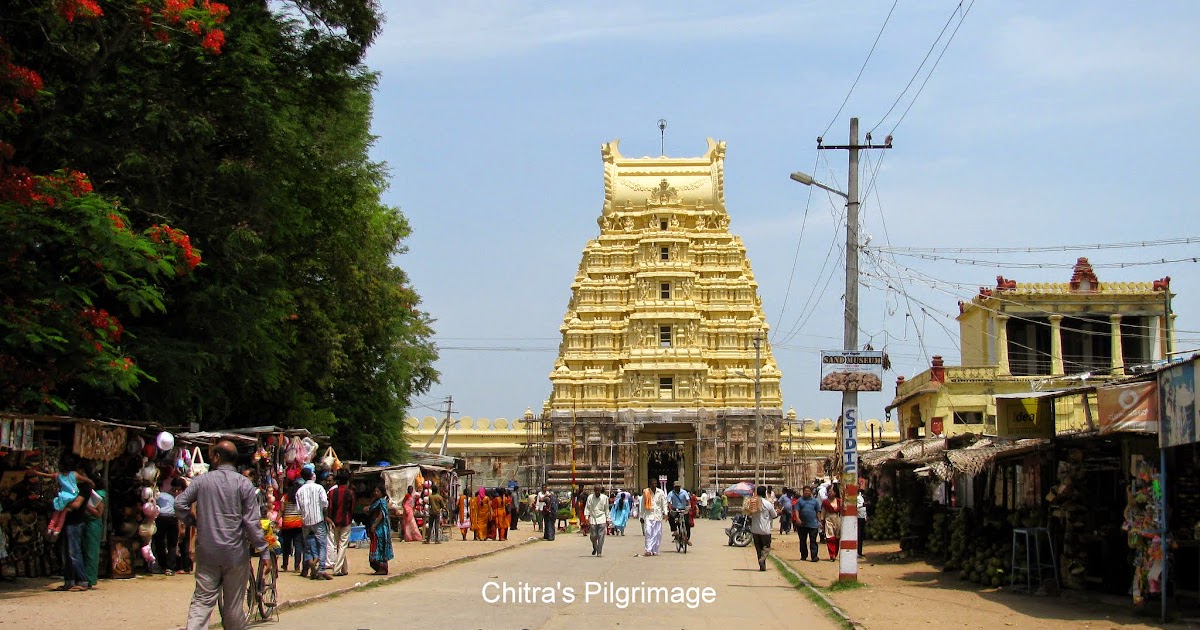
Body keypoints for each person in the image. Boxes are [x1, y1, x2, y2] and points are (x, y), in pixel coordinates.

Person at [174, 440, 269, 630]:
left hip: (207, 551)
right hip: (236, 553)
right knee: (233, 606)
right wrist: (264, 550)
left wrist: (193, 521)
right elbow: (251, 522)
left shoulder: (201, 481)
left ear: (217, 457)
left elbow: (179, 504)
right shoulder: (244, 484)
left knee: (202, 600)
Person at [28, 454, 91, 541]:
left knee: (56, 514)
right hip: (68, 506)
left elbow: (76, 505)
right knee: (61, 516)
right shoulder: (73, 477)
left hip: (67, 509)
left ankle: (52, 530)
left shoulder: (62, 476)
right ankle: (54, 530)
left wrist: (36, 473)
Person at [295, 466, 331, 580]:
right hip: (318, 520)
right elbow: (325, 502)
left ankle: (309, 563)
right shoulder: (319, 487)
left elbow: (298, 509)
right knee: (322, 545)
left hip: (306, 521)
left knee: (307, 545)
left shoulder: (299, 491)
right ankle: (321, 570)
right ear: (312, 476)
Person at [57, 480, 91, 591]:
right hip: (66, 523)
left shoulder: (84, 487)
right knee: (67, 554)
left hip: (75, 523)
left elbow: (76, 504)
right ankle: (69, 581)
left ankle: (82, 581)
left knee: (74, 553)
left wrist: (63, 502)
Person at [323, 470, 353, 576]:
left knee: (339, 545)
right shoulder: (350, 493)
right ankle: (337, 569)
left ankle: (344, 569)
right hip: (346, 521)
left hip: (334, 522)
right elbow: (351, 509)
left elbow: (330, 508)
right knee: (342, 545)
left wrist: (330, 519)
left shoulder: (332, 493)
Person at [153, 478, 183, 575]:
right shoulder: (171, 496)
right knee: (172, 544)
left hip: (161, 518)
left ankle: (162, 564)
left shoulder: (156, 497)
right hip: (172, 518)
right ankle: (170, 567)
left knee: (159, 542)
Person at [80, 476, 106, 588]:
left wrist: (85, 504)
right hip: (88, 523)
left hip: (93, 524)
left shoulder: (99, 494)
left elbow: (98, 513)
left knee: (91, 552)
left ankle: (90, 579)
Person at [748, 485, 778, 571]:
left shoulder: (753, 503)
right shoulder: (767, 503)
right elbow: (774, 515)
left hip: (755, 529)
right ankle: (762, 559)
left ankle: (762, 566)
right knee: (766, 546)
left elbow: (748, 514)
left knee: (758, 548)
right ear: (765, 493)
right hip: (765, 530)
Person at [278, 478, 304, 572]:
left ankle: (285, 565)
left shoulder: (285, 497)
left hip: (287, 524)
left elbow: (281, 510)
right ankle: (297, 566)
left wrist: (277, 520)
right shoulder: (300, 497)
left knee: (286, 546)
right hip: (298, 524)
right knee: (298, 546)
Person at [367, 485, 393, 575]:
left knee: (380, 546)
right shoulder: (376, 501)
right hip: (375, 527)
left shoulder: (382, 501)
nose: (376, 493)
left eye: (378, 491)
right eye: (375, 491)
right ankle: (378, 568)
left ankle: (382, 568)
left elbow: (382, 514)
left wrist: (375, 525)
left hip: (380, 529)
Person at [793, 485, 821, 563]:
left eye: (808, 491)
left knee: (813, 541)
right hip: (802, 525)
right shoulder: (799, 501)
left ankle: (814, 556)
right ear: (803, 492)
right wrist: (797, 518)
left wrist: (819, 521)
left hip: (813, 524)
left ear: (811, 492)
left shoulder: (815, 501)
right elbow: (796, 510)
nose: (807, 493)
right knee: (802, 541)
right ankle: (803, 555)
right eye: (805, 491)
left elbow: (818, 511)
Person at [643, 482, 668, 556]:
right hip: (648, 515)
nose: (653, 485)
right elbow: (642, 504)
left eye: (654, 484)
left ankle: (655, 550)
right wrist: (641, 516)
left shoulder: (660, 492)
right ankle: (648, 550)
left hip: (658, 516)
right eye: (652, 484)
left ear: (656, 484)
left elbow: (664, 503)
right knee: (648, 532)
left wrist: (666, 513)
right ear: (650, 485)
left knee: (657, 534)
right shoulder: (646, 492)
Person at [584, 485, 609, 556]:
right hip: (593, 519)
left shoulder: (605, 498)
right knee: (593, 536)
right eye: (596, 490)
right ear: (594, 491)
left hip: (602, 518)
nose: (597, 492)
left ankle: (599, 551)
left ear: (600, 491)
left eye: (599, 490)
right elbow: (587, 508)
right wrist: (586, 517)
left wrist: (608, 518)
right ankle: (595, 546)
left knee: (601, 536)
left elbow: (606, 509)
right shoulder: (590, 498)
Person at [821, 483, 842, 561]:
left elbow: (842, 512)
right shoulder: (825, 502)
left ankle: (835, 553)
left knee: (837, 538)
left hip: (837, 519)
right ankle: (832, 554)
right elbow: (823, 512)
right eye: (829, 491)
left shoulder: (839, 501)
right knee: (830, 537)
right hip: (828, 519)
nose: (830, 493)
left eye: (831, 491)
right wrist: (821, 521)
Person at [667, 481, 691, 546]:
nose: (677, 488)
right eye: (676, 487)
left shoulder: (684, 492)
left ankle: (687, 538)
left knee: (687, 523)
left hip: (683, 509)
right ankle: (675, 531)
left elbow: (688, 500)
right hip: (675, 509)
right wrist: (670, 509)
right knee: (670, 518)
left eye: (678, 487)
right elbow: (668, 502)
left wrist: (689, 506)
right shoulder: (671, 493)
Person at [857, 485, 868, 559]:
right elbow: (855, 506)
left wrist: (866, 517)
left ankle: (860, 552)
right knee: (858, 535)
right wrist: (862, 505)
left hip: (862, 517)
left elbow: (864, 508)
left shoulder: (861, 496)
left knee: (861, 535)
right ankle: (857, 552)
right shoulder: (854, 497)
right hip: (857, 518)